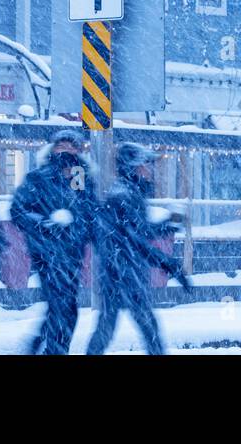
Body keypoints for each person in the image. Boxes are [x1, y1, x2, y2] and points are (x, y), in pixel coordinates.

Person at [86, 143, 191, 355]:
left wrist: (167, 225)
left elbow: (136, 233)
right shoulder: (125, 196)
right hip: (125, 274)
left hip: (117, 273)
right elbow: (135, 240)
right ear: (132, 167)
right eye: (146, 164)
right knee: (146, 328)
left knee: (109, 328)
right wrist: (170, 264)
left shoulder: (125, 193)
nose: (150, 169)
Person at [11, 128, 98, 355]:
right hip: (47, 255)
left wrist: (78, 226)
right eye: (62, 147)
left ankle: (37, 347)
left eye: (73, 147)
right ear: (53, 149)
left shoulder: (81, 178)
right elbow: (18, 211)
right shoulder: (39, 178)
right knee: (61, 309)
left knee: (66, 309)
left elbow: (89, 213)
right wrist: (46, 225)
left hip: (71, 255)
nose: (68, 152)